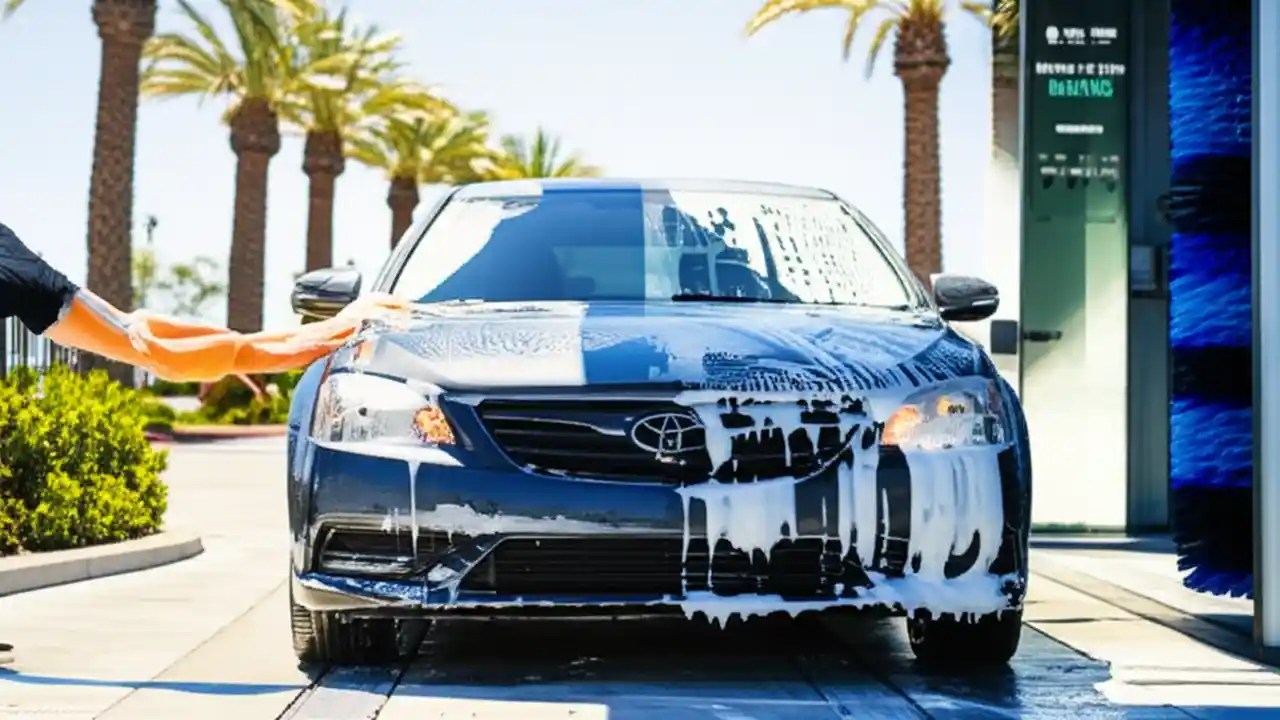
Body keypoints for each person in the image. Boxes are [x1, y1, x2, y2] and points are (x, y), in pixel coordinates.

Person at [0, 221, 407, 665]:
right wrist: (289, 344)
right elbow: (148, 344)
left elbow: (137, 333)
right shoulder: (13, 262)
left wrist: (275, 344)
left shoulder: (13, 260)